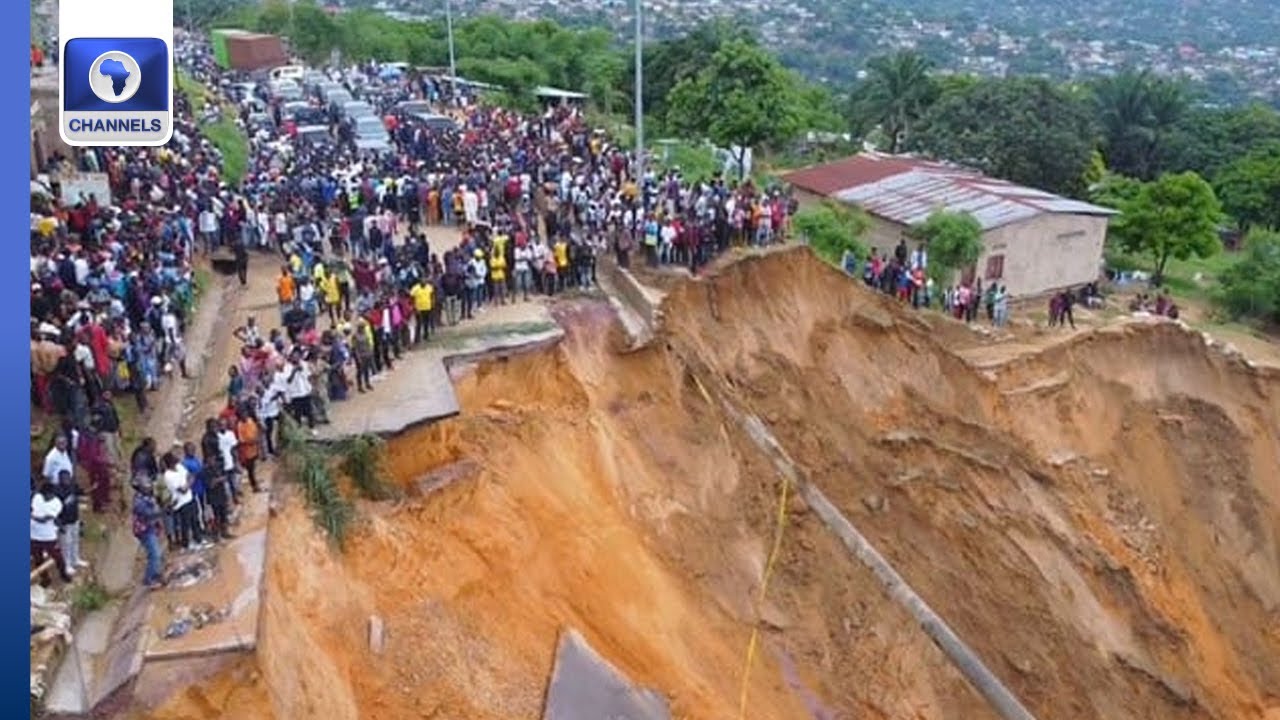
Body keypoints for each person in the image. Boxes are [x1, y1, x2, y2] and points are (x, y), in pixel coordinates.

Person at [32, 479, 73, 585]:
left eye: (49, 495)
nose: (46, 497)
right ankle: (45, 578)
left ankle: (63, 574)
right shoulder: (37, 498)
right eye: (44, 495)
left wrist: (31, 515)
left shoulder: (57, 503)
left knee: (57, 557)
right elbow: (33, 508)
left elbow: (44, 519)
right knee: (38, 558)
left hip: (48, 536)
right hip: (33, 535)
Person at [130, 478, 166, 590]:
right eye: (146, 486)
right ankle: (148, 579)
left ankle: (156, 574)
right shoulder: (138, 502)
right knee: (155, 554)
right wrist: (163, 512)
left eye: (149, 485)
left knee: (156, 552)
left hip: (151, 527)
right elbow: (149, 514)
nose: (149, 487)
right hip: (144, 530)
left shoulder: (148, 497)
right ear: (141, 488)